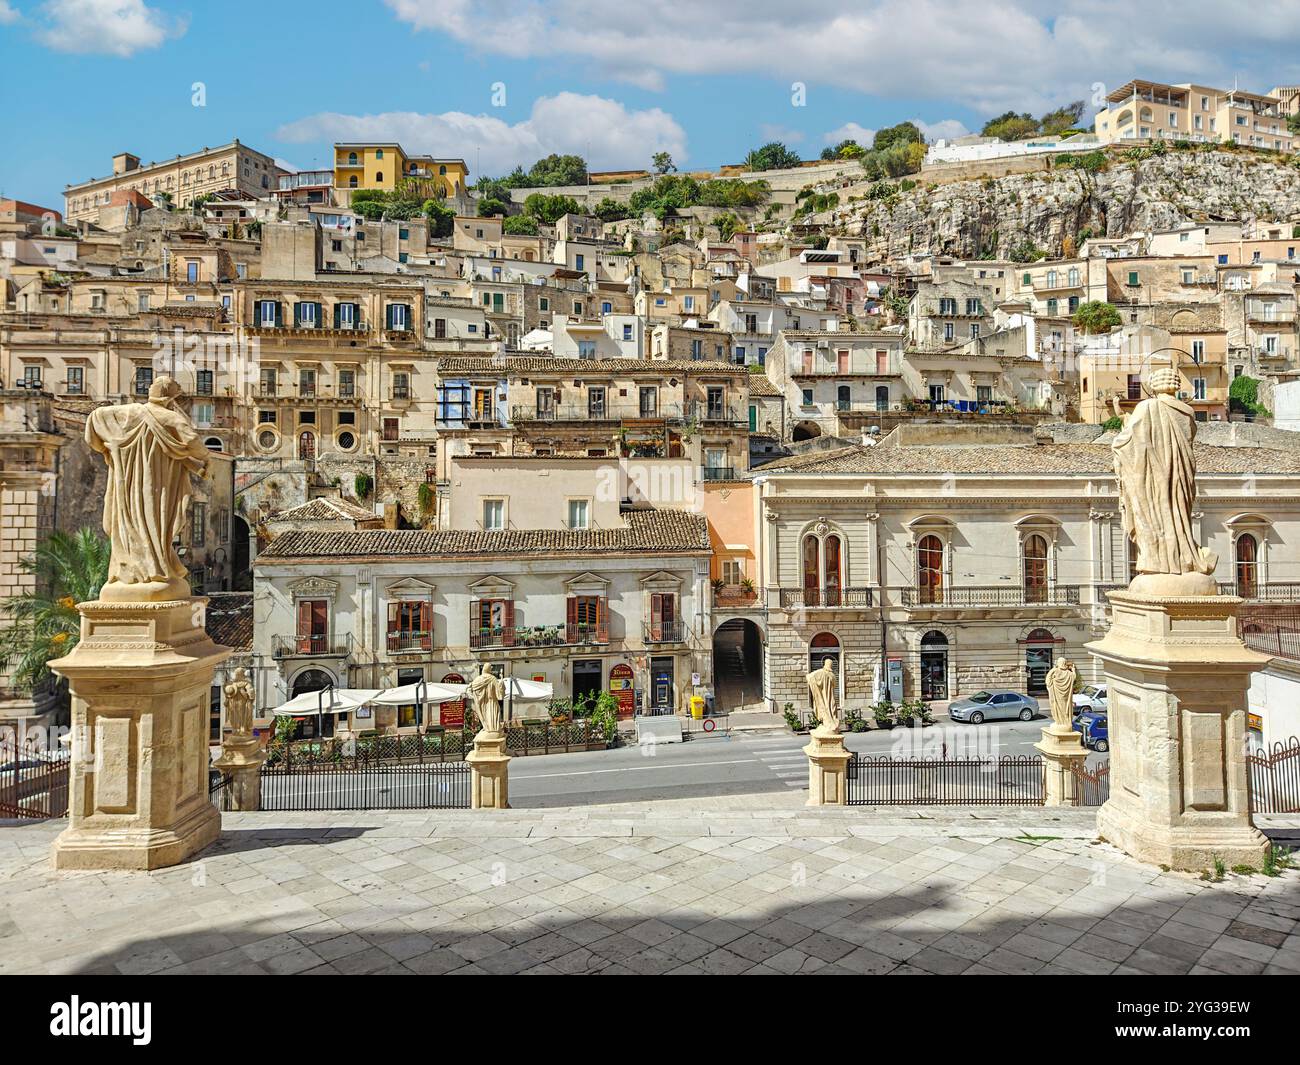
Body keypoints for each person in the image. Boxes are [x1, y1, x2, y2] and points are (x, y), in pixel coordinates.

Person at [85, 376, 212, 601]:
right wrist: (204, 460)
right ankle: (155, 568)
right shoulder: (170, 418)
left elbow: (95, 420)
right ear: (170, 398)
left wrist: (107, 448)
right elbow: (197, 446)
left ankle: (129, 571)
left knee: (131, 523)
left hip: (128, 486)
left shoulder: (129, 412)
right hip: (158, 484)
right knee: (155, 524)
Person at [1111, 366, 1217, 580]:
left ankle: (1158, 561)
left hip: (1154, 481)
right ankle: (1185, 557)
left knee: (1155, 516)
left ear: (1153, 386)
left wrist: (1119, 434)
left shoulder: (1147, 406)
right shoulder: (1187, 412)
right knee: (1178, 515)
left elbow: (1128, 441)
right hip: (1182, 476)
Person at [805, 659, 840, 731]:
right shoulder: (832, 675)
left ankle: (828, 724)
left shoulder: (821, 672)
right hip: (830, 696)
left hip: (823, 697)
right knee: (832, 709)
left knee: (825, 708)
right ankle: (831, 724)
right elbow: (835, 685)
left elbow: (809, 677)